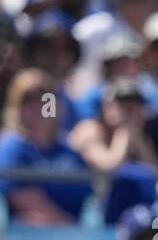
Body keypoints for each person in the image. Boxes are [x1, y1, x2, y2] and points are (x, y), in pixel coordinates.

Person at [0, 67, 93, 224]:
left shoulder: (70, 148)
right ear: (16, 107)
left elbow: (90, 199)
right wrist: (72, 230)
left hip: (76, 239)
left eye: (45, 98)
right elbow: (28, 204)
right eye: (28, 99)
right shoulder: (11, 146)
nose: (38, 105)